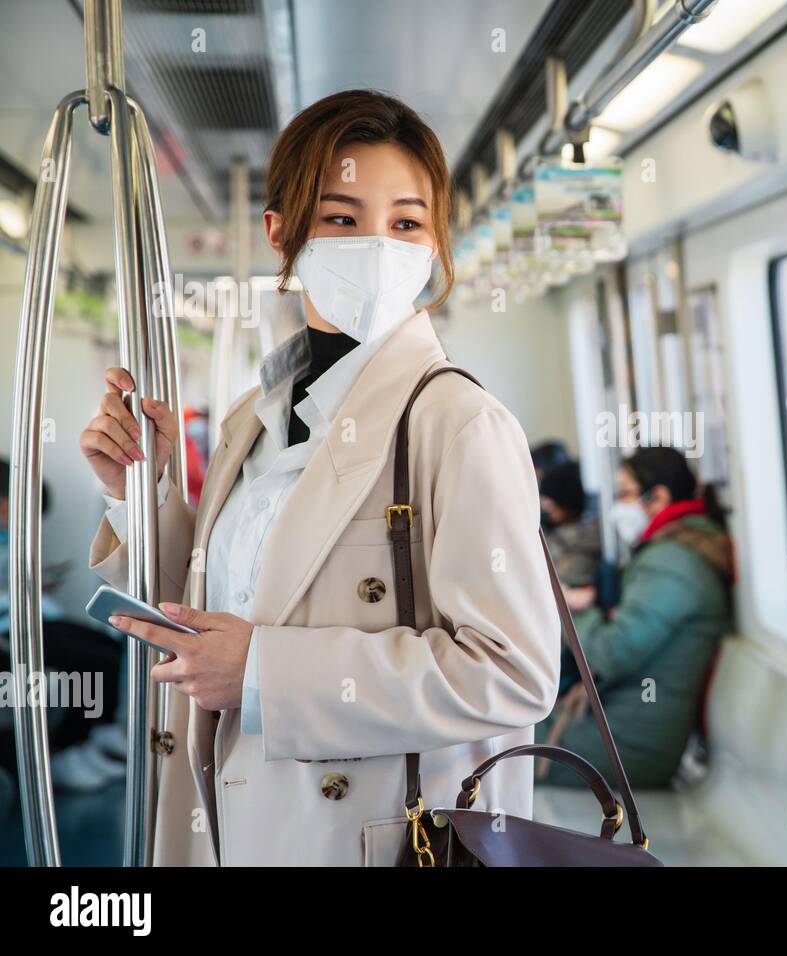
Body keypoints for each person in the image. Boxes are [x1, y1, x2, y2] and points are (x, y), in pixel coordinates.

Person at [78, 89, 559, 866]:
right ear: (283, 235)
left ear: (434, 243)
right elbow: (223, 613)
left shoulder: (457, 423)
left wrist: (267, 674)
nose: (376, 246)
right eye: (341, 219)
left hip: (372, 837)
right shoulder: (251, 418)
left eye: (405, 222)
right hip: (238, 816)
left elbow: (513, 673)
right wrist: (139, 491)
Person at [536, 447, 733, 789]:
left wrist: (564, 609)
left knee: (491, 741)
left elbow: (609, 652)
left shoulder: (674, 563)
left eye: (625, 493)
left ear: (658, 496)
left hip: (629, 745)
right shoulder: (672, 554)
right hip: (621, 727)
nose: (619, 507)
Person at [0, 460, 126, 791]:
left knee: (109, 648)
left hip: (30, 617)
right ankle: (69, 750)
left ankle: (89, 741)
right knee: (93, 662)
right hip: (9, 628)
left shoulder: (8, 540)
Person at [539, 460, 601, 589]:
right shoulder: (552, 532)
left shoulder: (586, 542)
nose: (544, 505)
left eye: (551, 500)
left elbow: (556, 578)